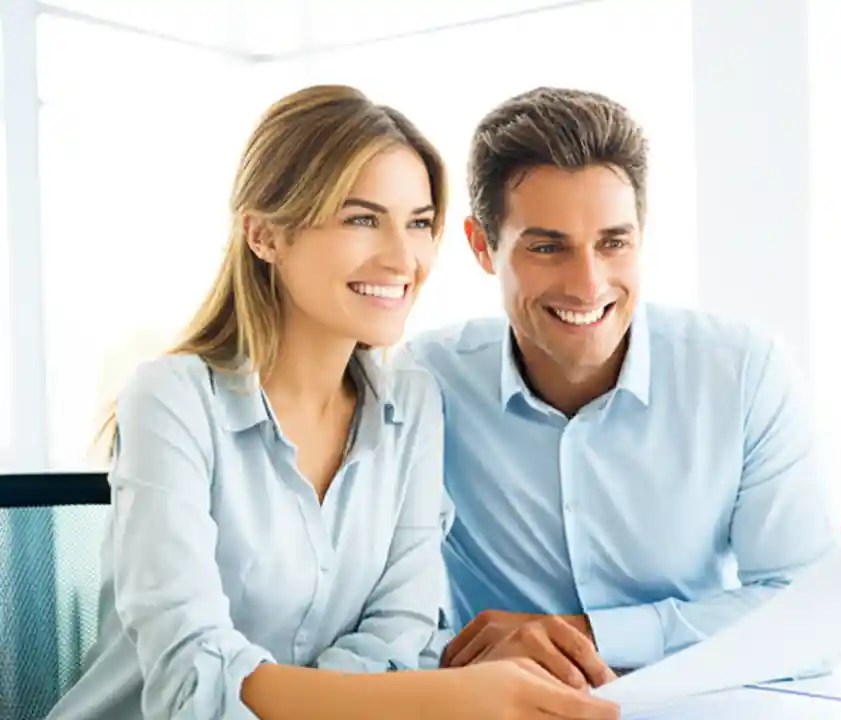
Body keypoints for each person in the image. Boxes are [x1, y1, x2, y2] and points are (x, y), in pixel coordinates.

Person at [48, 85, 618, 720]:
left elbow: (398, 633)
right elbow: (193, 679)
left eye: (419, 223)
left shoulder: (411, 403)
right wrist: (449, 698)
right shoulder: (172, 400)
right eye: (362, 219)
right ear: (264, 234)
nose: (403, 259)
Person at [400, 87, 836, 687]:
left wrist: (588, 635)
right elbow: (388, 616)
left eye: (614, 243)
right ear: (482, 246)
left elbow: (811, 617)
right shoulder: (426, 384)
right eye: (547, 247)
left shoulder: (742, 375)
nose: (588, 284)